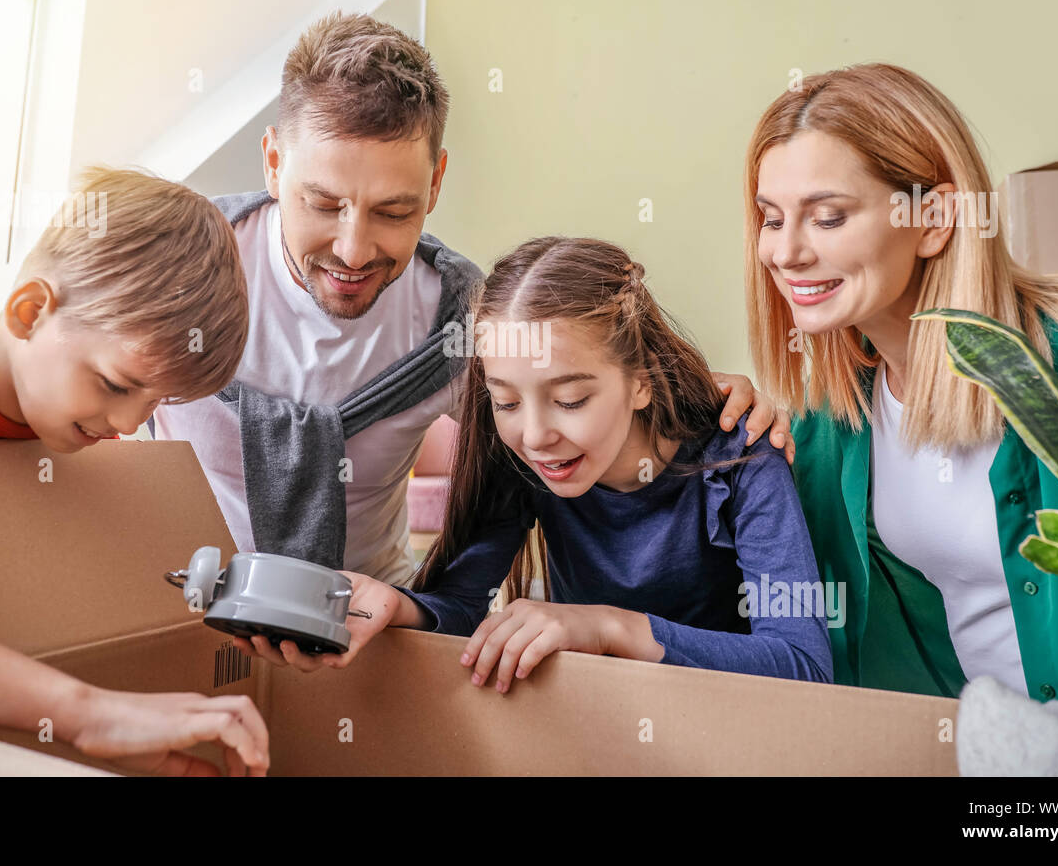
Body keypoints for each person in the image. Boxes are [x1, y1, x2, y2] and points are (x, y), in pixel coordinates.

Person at [0, 12, 799, 672]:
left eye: (392, 210)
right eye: (320, 202)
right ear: (272, 160)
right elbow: (34, 343)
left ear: (436, 184)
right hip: (162, 599)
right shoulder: (184, 271)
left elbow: (570, 367)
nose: (352, 249)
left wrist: (695, 388)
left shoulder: (467, 322)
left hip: (363, 613)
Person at [248, 237, 833, 692]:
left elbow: (802, 666)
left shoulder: (744, 458)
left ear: (640, 383)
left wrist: (607, 629)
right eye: (505, 401)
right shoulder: (528, 463)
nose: (534, 435)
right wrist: (395, 603)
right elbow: (460, 607)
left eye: (571, 400)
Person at [743, 62, 1058, 711]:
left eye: (828, 217)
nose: (785, 252)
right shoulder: (831, 419)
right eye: (770, 218)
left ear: (934, 220)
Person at [0, 167, 270, 775]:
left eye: (155, 404)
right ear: (29, 310)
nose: (128, 424)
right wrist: (86, 713)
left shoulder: (45, 420)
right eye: (117, 385)